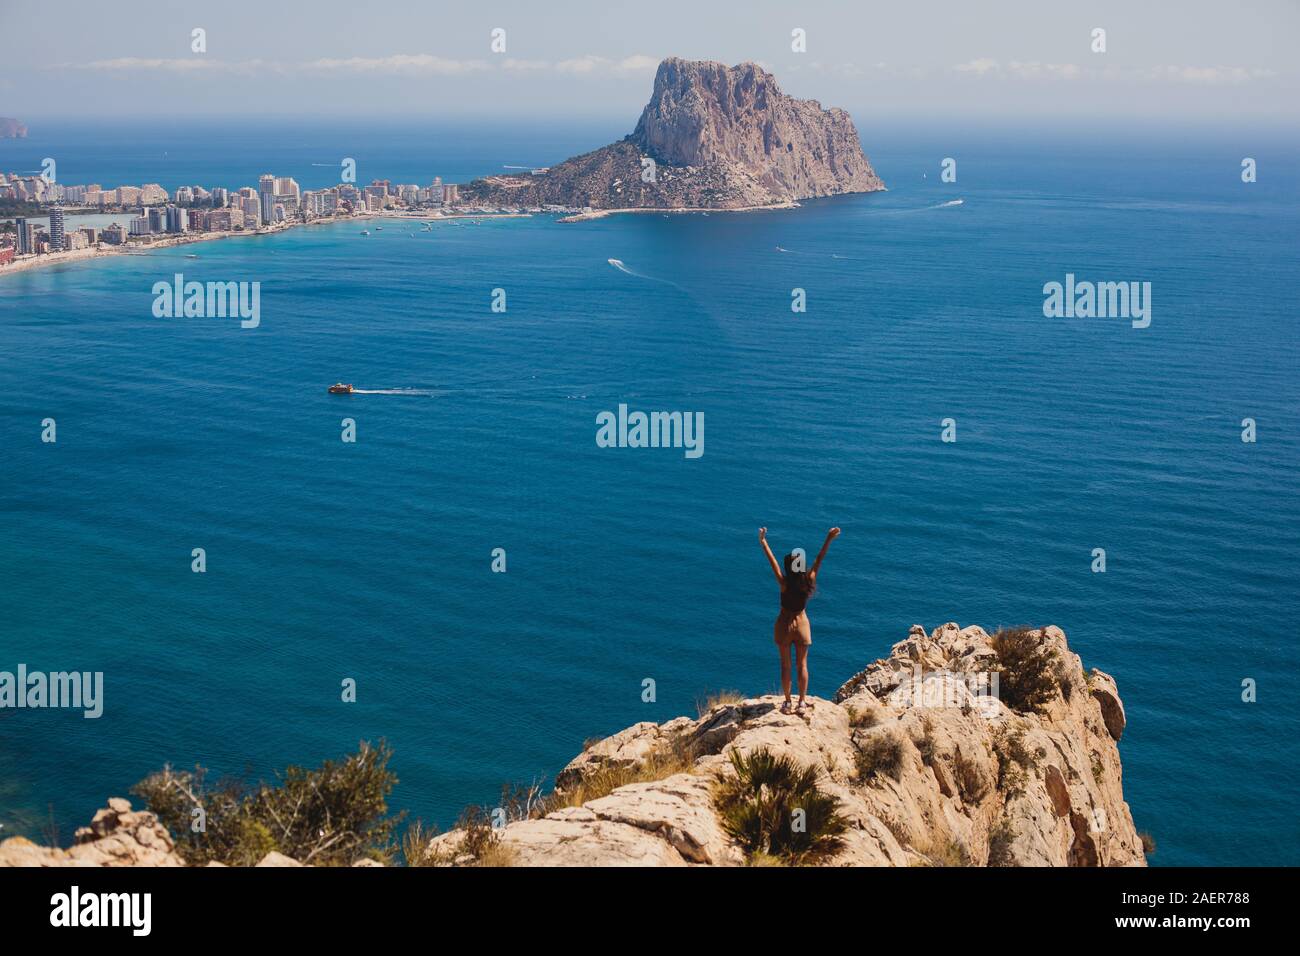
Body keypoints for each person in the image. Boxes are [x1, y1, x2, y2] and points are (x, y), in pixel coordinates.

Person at [759, 526, 841, 714]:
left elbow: (773, 563)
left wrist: (763, 542)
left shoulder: (784, 583)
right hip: (802, 623)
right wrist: (829, 538)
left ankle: (787, 703)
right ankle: (802, 702)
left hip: (784, 623)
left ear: (788, 567)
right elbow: (819, 558)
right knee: (802, 665)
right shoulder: (808, 580)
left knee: (785, 665)